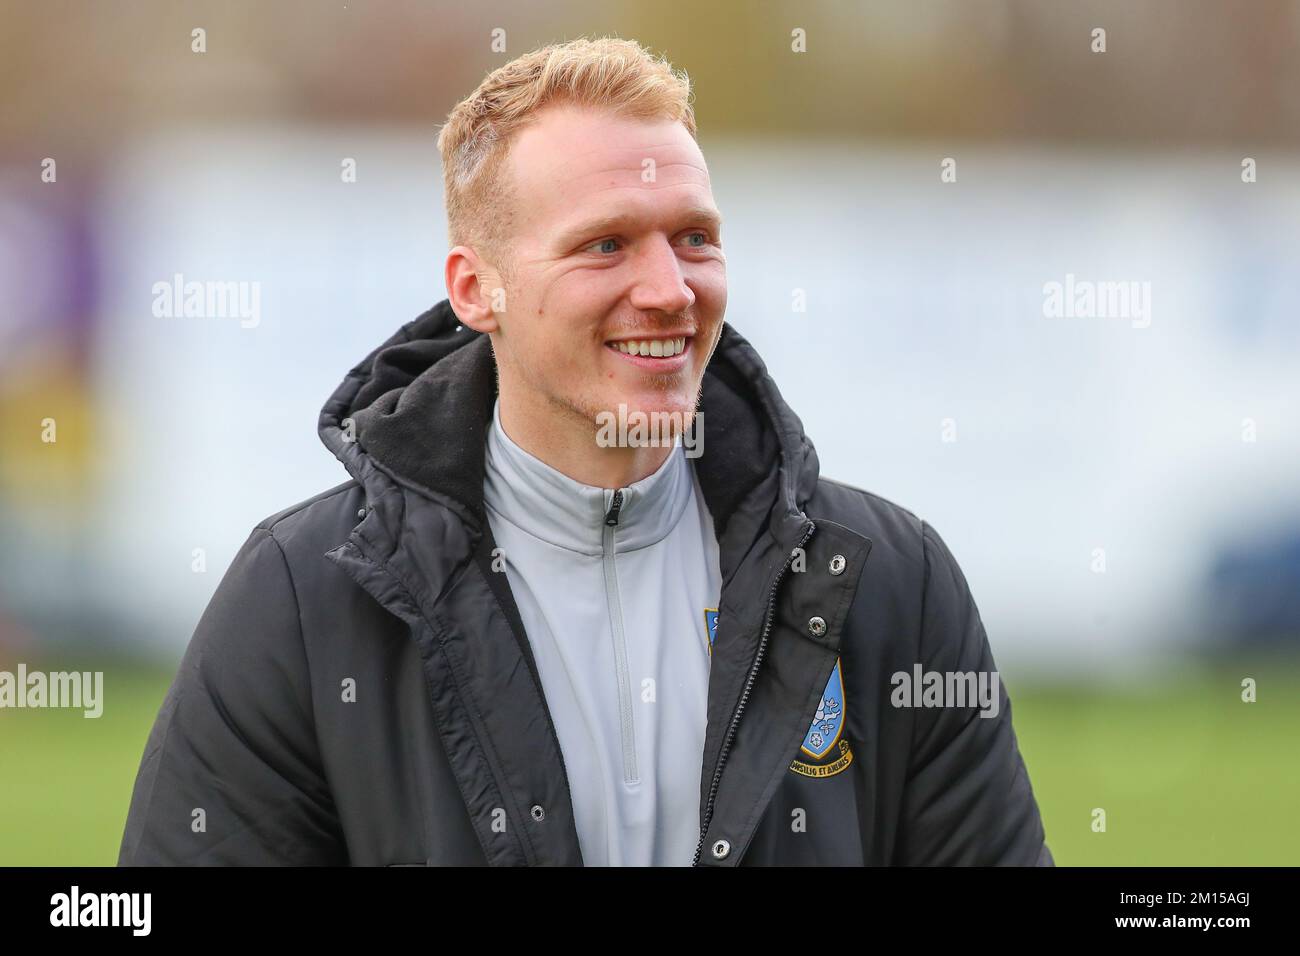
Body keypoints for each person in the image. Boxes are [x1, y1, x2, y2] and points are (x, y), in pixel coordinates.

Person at [118, 36, 1052, 866]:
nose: (669, 289)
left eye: (693, 238)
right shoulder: (302, 600)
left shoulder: (887, 581)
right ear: (475, 289)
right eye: (605, 245)